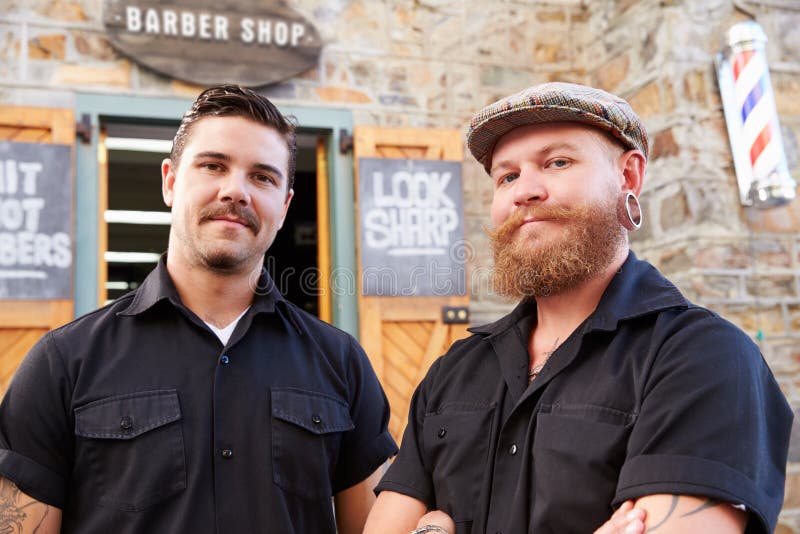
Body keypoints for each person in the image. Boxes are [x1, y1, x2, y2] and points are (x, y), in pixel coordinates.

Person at [363, 82, 792, 534]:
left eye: (557, 162)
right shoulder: (453, 371)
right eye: (507, 176)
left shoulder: (703, 358)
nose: (524, 191)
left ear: (629, 177)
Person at [0, 85, 397, 533]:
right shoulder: (63, 362)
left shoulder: (340, 362)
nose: (236, 191)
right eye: (213, 166)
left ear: (284, 206)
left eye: (263, 177)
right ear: (170, 181)